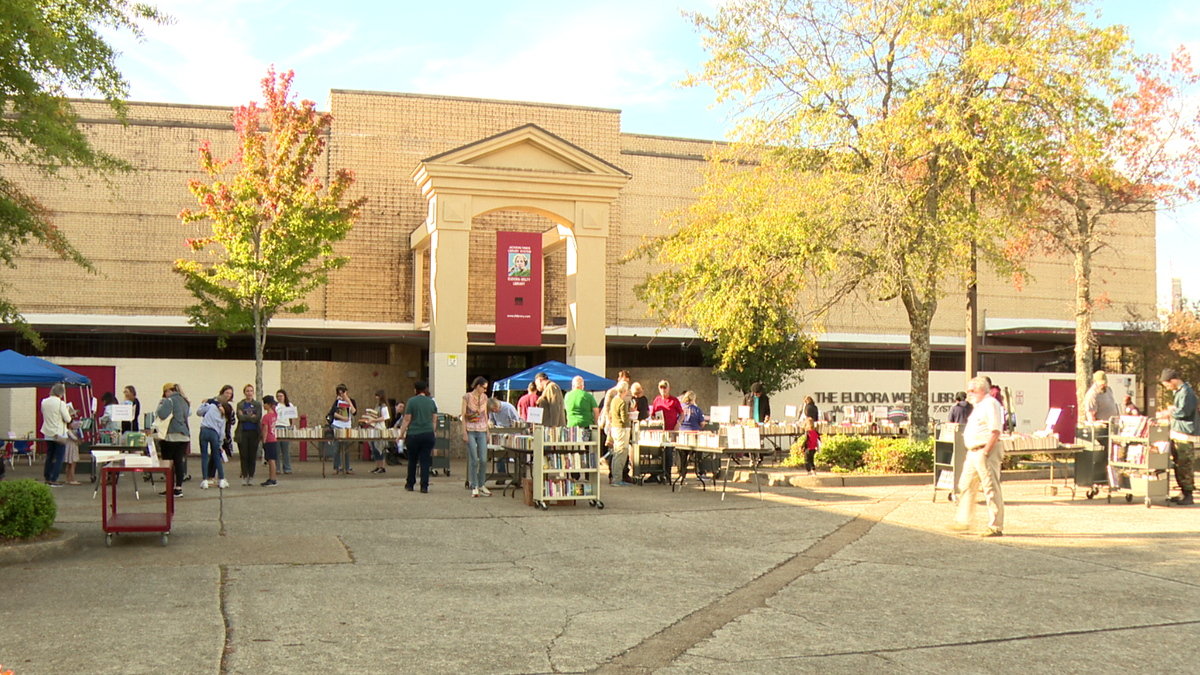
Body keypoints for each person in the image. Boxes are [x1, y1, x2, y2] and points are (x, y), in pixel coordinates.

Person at [950, 377, 1005, 536]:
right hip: (973, 452)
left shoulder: (991, 404)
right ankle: (964, 521)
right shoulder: (978, 406)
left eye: (972, 390)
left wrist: (986, 452)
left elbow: (995, 430)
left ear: (983, 390)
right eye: (968, 390)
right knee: (965, 484)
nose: (969, 394)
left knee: (990, 488)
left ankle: (996, 526)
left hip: (985, 450)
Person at [1155, 368, 1195, 505]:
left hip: (1185, 434)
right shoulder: (1180, 392)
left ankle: (1188, 493)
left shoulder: (1186, 392)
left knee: (1185, 464)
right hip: (1178, 432)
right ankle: (1183, 492)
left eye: (1167, 385)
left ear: (1173, 380)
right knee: (1178, 463)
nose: (1167, 388)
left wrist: (1168, 413)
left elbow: (1184, 412)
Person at [399, 380, 438, 493]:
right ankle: (424, 486)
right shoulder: (431, 402)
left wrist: (401, 434)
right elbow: (434, 420)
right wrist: (433, 432)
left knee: (412, 460)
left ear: (415, 390)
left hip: (414, 434)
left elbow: (407, 419)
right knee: (425, 460)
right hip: (428, 434)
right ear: (425, 390)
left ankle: (410, 483)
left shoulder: (411, 401)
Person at [156, 383, 191, 498]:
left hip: (171, 435)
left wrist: (161, 405)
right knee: (179, 461)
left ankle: (169, 488)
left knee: (168, 462)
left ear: (168, 391)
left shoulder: (169, 401)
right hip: (184, 435)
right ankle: (178, 488)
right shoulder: (185, 400)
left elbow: (161, 414)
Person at [197, 386, 232, 490]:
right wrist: (220, 443)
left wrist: (204, 403)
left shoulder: (211, 406)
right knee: (216, 455)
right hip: (214, 433)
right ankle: (221, 479)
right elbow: (222, 431)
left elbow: (199, 412)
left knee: (204, 456)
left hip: (204, 430)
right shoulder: (223, 416)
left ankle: (205, 480)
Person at [462, 377, 491, 497]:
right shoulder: (467, 397)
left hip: (482, 429)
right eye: (483, 388)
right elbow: (463, 415)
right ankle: (474, 485)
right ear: (478, 386)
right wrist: (464, 432)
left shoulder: (484, 398)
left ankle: (481, 484)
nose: (484, 390)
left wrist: (488, 431)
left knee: (483, 459)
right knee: (474, 458)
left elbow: (485, 415)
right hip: (470, 429)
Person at [40, 383, 73, 487]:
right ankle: (54, 479)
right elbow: (67, 419)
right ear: (61, 393)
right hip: (59, 433)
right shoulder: (60, 403)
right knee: (59, 457)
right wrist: (69, 412)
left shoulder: (44, 402)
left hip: (47, 432)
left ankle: (47, 477)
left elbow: (43, 413)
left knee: (49, 455)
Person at [650, 380, 683, 482]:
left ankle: (667, 475)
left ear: (669, 388)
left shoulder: (674, 400)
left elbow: (682, 414)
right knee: (657, 452)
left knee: (669, 452)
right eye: (661, 388)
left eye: (665, 387)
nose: (663, 390)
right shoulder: (657, 400)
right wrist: (654, 420)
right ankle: (655, 474)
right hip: (660, 431)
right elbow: (652, 414)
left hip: (671, 430)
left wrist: (678, 424)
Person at [325, 384, 357, 475]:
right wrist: (342, 417)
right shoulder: (337, 402)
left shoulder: (352, 401)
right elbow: (332, 413)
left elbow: (354, 412)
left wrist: (348, 401)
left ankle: (347, 467)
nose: (342, 395)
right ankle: (336, 467)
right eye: (340, 393)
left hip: (347, 426)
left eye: (343, 393)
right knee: (337, 447)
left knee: (346, 448)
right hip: (338, 425)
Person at [607, 381, 633, 487]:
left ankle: (615, 477)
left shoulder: (614, 400)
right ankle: (617, 479)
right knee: (621, 454)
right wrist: (630, 417)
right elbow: (624, 419)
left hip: (614, 428)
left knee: (616, 453)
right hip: (622, 429)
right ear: (625, 391)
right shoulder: (622, 402)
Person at [236, 384, 262, 486]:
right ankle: (244, 475)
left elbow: (257, 418)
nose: (249, 393)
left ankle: (251, 476)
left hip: (254, 432)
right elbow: (240, 417)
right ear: (244, 392)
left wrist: (246, 416)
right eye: (247, 391)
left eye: (251, 391)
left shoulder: (257, 404)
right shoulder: (241, 404)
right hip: (243, 432)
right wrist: (250, 416)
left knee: (252, 455)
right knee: (244, 455)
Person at [362, 389, 391, 475]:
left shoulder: (383, 406)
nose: (376, 397)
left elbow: (384, 417)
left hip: (380, 427)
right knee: (375, 448)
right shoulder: (377, 405)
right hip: (375, 427)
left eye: (377, 396)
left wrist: (374, 420)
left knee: (380, 448)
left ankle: (382, 466)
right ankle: (378, 466)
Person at [260, 395, 280, 487]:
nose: (263, 406)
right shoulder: (274, 414)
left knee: (271, 460)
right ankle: (272, 477)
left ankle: (272, 479)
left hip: (268, 439)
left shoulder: (266, 417)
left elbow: (265, 429)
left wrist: (263, 441)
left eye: (265, 403)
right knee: (272, 459)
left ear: (268, 404)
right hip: (274, 438)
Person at [275, 389, 295, 475]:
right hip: (277, 427)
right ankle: (277, 468)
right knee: (276, 449)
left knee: (285, 449)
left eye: (281, 396)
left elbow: (293, 416)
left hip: (285, 427)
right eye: (278, 396)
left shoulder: (289, 405)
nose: (279, 398)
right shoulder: (275, 405)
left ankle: (287, 468)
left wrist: (292, 425)